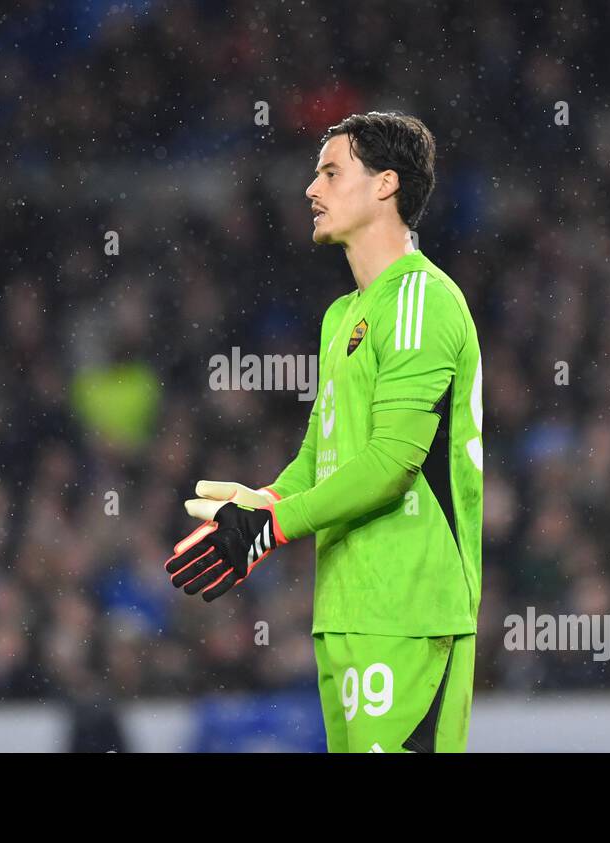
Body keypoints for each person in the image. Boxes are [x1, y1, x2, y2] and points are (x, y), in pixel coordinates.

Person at [165, 111, 483, 752]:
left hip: (409, 608)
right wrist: (263, 506)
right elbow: (321, 458)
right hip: (346, 611)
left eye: (332, 173)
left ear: (386, 185)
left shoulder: (420, 298)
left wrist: (275, 528)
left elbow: (393, 462)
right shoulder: (344, 315)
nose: (312, 189)